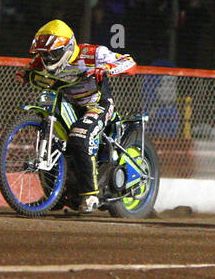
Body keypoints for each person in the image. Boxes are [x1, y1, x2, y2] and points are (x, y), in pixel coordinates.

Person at [14, 19, 136, 212]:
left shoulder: (94, 53)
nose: (49, 59)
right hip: (69, 105)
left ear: (68, 47)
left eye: (53, 53)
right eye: (45, 55)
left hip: (98, 104)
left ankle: (90, 196)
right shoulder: (41, 61)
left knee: (79, 136)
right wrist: (25, 74)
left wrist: (107, 68)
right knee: (54, 142)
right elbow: (30, 69)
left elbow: (129, 63)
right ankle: (55, 197)